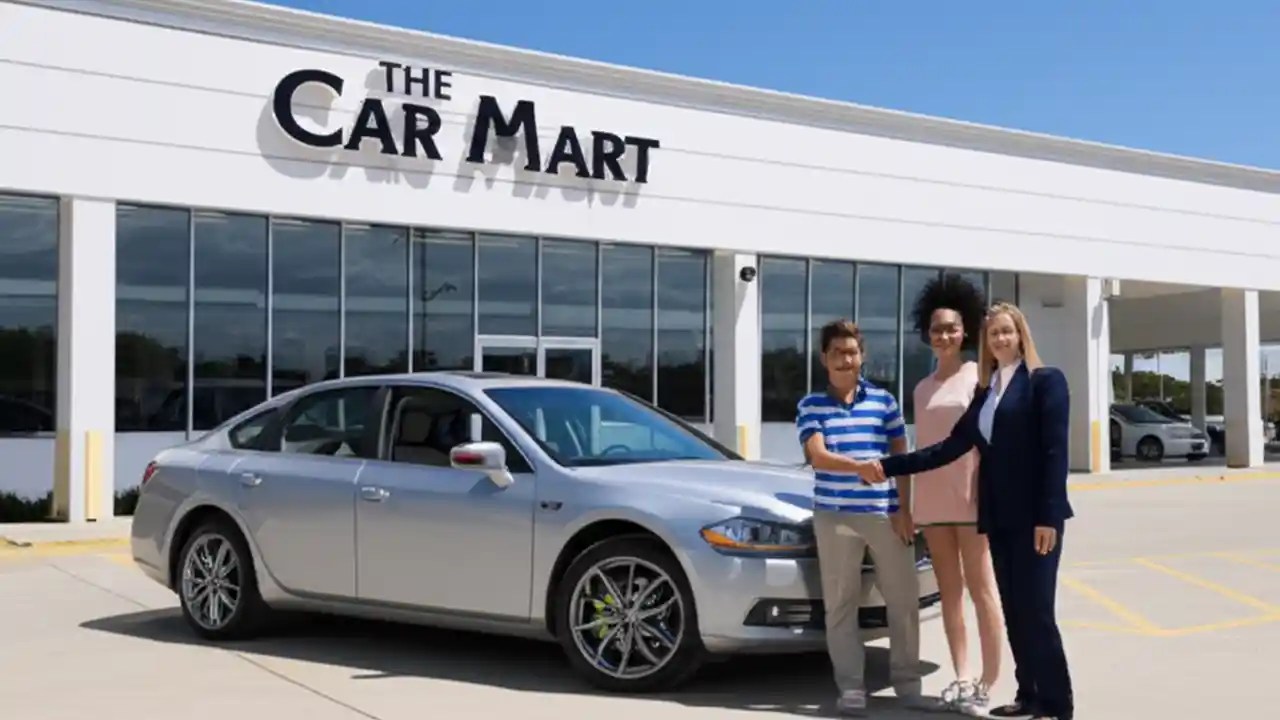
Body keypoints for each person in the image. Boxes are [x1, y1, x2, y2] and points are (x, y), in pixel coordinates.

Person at [856, 301, 1075, 720]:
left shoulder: (1045, 381)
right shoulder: (986, 394)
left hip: (1036, 520)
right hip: (999, 518)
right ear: (986, 342)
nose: (1001, 339)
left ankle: (1058, 705)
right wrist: (886, 466)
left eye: (1007, 331)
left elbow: (1055, 452)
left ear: (1021, 335)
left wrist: (1048, 517)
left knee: (1037, 613)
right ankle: (1029, 695)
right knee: (1015, 611)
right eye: (994, 334)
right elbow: (946, 449)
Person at [797, 319, 923, 717]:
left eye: (851, 352)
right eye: (837, 352)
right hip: (834, 517)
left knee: (903, 601)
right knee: (841, 605)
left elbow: (902, 459)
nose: (845, 359)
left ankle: (908, 685)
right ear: (824, 358)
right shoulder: (810, 405)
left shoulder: (884, 402)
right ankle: (851, 687)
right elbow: (818, 456)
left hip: (884, 515)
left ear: (862, 356)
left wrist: (904, 509)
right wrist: (861, 468)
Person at [908, 274, 1004, 715]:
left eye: (951, 328)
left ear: (965, 330)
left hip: (971, 501)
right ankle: (963, 677)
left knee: (983, 591)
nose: (944, 335)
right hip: (932, 504)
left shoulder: (979, 379)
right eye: (936, 329)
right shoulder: (921, 388)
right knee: (949, 594)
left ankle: (988, 682)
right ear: (926, 333)